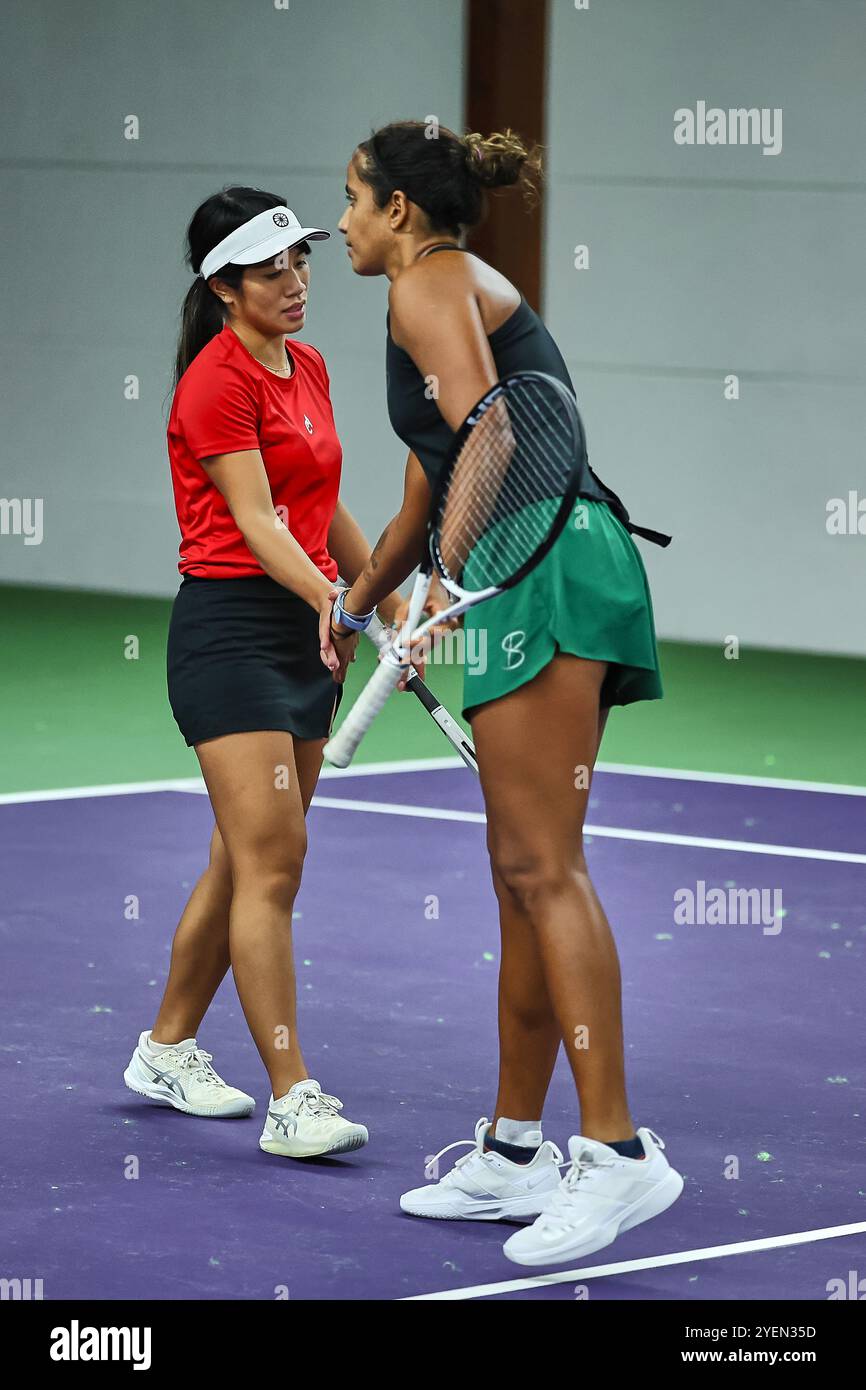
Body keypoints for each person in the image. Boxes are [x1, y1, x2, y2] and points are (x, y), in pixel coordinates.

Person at [331, 122, 683, 1264]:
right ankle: (517, 1148)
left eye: (348, 200)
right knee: (516, 872)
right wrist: (357, 603)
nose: (337, 224)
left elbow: (486, 433)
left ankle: (619, 1156)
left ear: (396, 212)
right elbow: (427, 482)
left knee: (543, 866)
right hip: (519, 563)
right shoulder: (440, 291)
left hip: (539, 560)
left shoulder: (425, 285)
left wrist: (440, 583)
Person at [123, 186, 403, 1159]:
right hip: (230, 634)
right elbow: (254, 521)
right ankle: (293, 1095)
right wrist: (339, 601)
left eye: (300, 262)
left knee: (240, 858)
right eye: (270, 269)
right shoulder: (214, 380)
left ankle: (165, 1047)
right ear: (224, 286)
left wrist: (386, 592)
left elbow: (317, 503)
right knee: (275, 861)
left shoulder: (309, 363)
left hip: (300, 639)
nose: (295, 282)